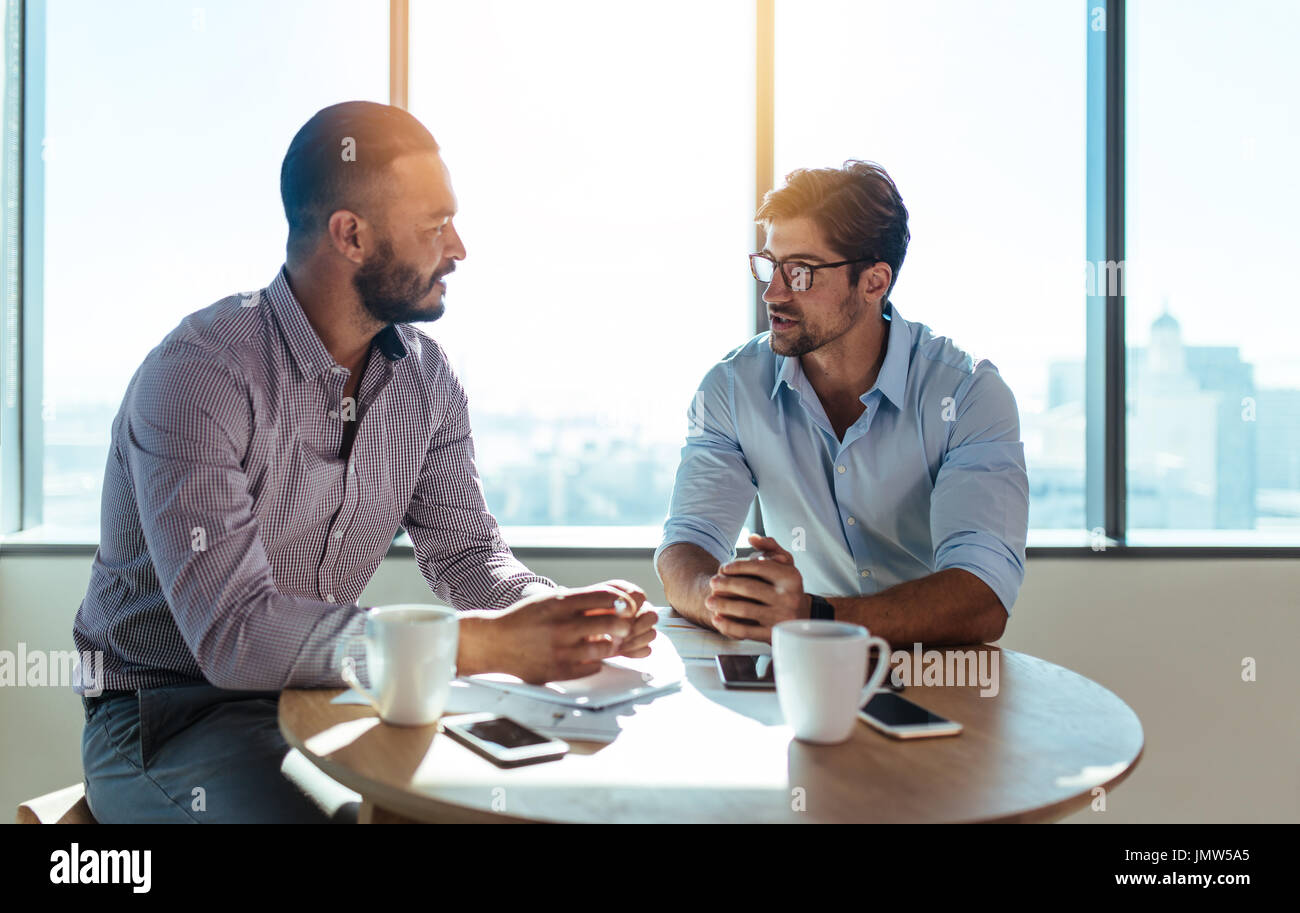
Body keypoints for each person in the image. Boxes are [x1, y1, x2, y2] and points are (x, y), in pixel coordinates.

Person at [72, 101, 656, 823]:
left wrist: (561, 615)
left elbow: (470, 556)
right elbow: (234, 636)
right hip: (167, 719)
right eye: (436, 224)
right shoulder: (200, 375)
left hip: (328, 696)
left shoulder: (427, 379)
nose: (460, 247)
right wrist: (488, 643)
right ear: (350, 234)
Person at [656, 160, 1028, 647]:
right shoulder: (731, 387)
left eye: (802, 273)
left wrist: (809, 615)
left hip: (934, 670)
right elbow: (689, 539)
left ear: (873, 282)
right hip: (802, 666)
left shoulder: (967, 393)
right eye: (770, 265)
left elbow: (982, 595)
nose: (773, 292)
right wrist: (731, 602)